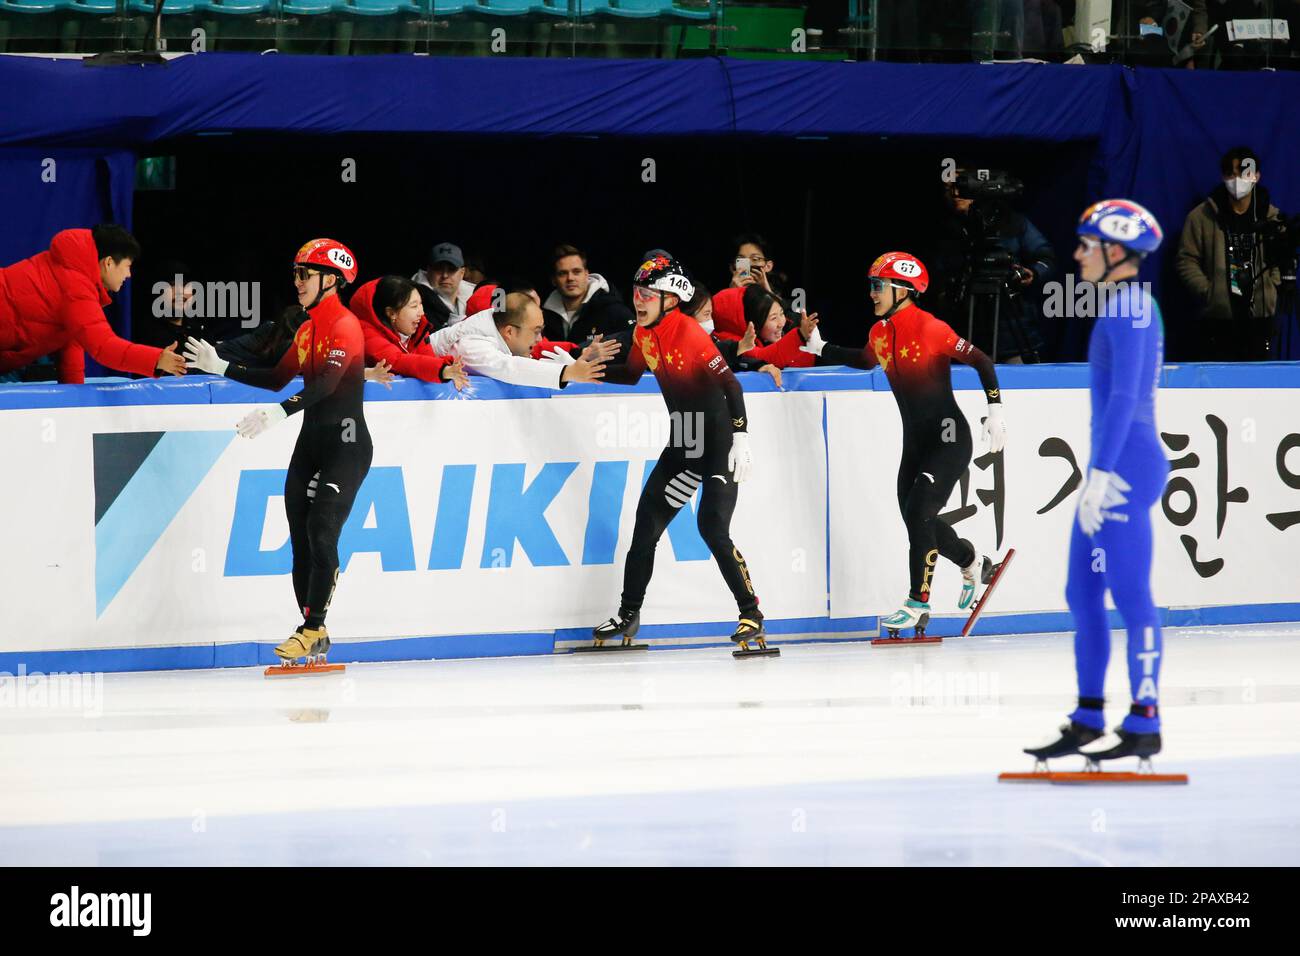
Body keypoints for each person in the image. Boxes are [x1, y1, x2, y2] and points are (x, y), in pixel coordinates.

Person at [1024, 200, 1170, 769]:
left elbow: (1126, 398)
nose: (1077, 253)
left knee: (1131, 595)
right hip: (1112, 466)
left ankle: (1145, 719)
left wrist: (1105, 472)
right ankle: (1088, 716)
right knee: (1082, 592)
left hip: (1126, 469)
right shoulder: (1122, 305)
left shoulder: (1132, 308)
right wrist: (1097, 471)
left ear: (1116, 252)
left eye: (1087, 245)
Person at [183, 238, 370, 667]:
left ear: (331, 280)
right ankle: (313, 628)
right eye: (295, 273)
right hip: (311, 447)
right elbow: (276, 378)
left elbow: (323, 385)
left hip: (346, 445)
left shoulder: (345, 326)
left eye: (305, 274)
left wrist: (277, 415)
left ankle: (311, 629)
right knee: (302, 544)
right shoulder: (306, 330)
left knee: (323, 530)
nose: (297, 281)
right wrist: (221, 366)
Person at [800, 252, 1007, 637]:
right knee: (917, 518)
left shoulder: (930, 327)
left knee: (920, 515)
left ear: (903, 290)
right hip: (915, 444)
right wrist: (820, 346)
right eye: (871, 286)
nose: (872, 293)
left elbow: (981, 360)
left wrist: (995, 410)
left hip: (948, 438)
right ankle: (973, 561)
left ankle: (917, 603)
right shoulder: (880, 333)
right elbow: (864, 361)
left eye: (879, 286)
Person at [592, 253, 769, 653]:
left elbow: (732, 387)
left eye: (647, 294)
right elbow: (632, 374)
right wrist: (580, 370)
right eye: (636, 292)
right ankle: (628, 613)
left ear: (670, 299)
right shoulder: (643, 333)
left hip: (718, 442)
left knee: (711, 527)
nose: (638, 300)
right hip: (686, 441)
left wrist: (741, 437)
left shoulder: (689, 333)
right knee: (646, 525)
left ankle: (751, 615)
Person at [0, 224, 186, 384]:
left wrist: (75, 405)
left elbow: (70, 352)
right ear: (109, 263)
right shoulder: (76, 286)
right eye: (128, 266)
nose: (129, 275)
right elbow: (104, 347)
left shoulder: (71, 274)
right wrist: (156, 359)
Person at [1175, 146, 1283, 361]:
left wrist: (1271, 287)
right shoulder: (1201, 217)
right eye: (1231, 173)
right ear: (1223, 176)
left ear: (1256, 176)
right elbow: (1186, 259)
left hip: (1260, 320)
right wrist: (1209, 292)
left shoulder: (1272, 218)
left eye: (1243, 173)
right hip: (1218, 320)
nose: (1237, 180)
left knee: (1260, 388)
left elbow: (1281, 258)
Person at [428, 291, 611, 390]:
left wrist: (571, 364)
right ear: (509, 331)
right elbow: (509, 368)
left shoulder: (496, 327)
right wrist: (566, 372)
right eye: (536, 331)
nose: (539, 339)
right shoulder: (471, 345)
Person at [350, 275, 469, 388]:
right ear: (391, 313)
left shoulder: (419, 329)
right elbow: (397, 361)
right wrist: (443, 370)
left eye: (421, 304)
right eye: (414, 306)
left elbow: (428, 358)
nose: (421, 313)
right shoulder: (364, 333)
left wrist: (450, 367)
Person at [541, 243, 636, 344]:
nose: (570, 278)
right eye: (563, 273)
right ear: (553, 280)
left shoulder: (615, 311)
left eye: (576, 272)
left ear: (586, 275)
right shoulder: (544, 317)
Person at [412, 242, 476, 330]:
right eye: (438, 268)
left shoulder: (476, 300)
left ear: (462, 273)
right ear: (428, 271)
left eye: (451, 269)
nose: (445, 275)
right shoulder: (413, 304)